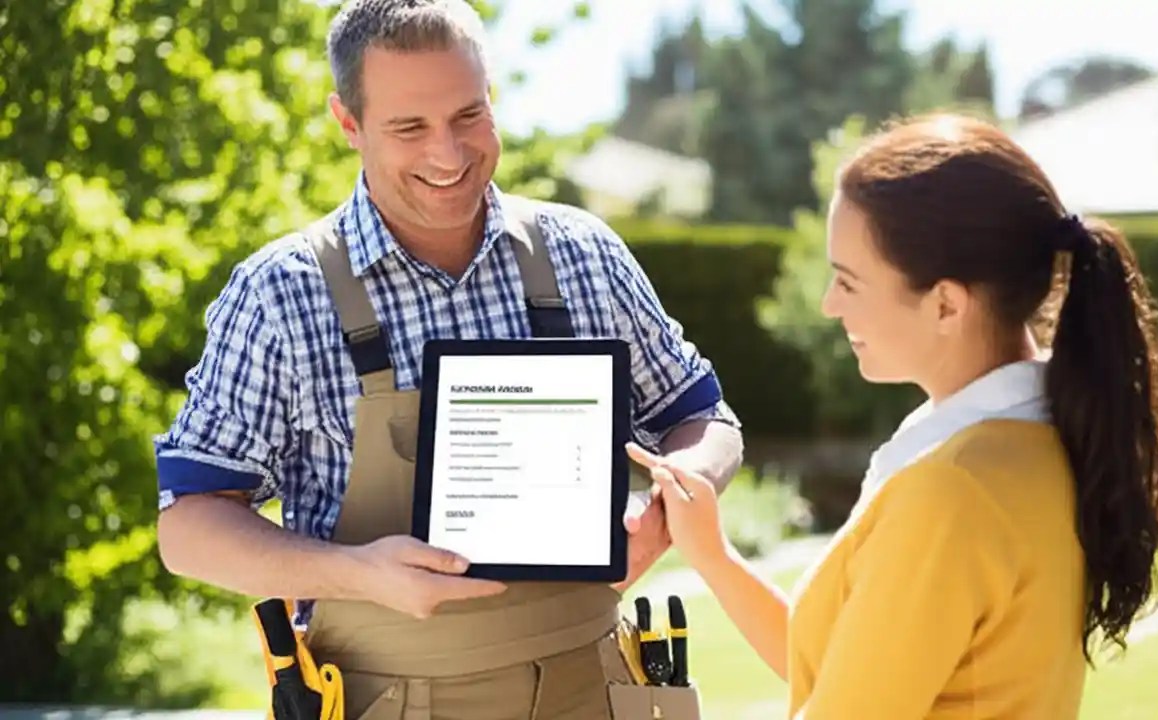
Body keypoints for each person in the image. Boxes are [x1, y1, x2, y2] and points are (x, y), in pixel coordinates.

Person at [153, 0, 742, 716]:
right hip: (387, 698)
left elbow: (704, 419)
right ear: (348, 122)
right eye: (410, 128)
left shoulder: (583, 254)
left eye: (469, 115)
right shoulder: (281, 293)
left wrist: (672, 501)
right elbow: (189, 527)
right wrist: (358, 572)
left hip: (600, 688)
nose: (449, 154)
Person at [627, 113, 1158, 719]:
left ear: (945, 304)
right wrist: (713, 556)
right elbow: (852, 672)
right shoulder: (1036, 441)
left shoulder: (953, 491)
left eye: (848, 282)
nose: (829, 305)